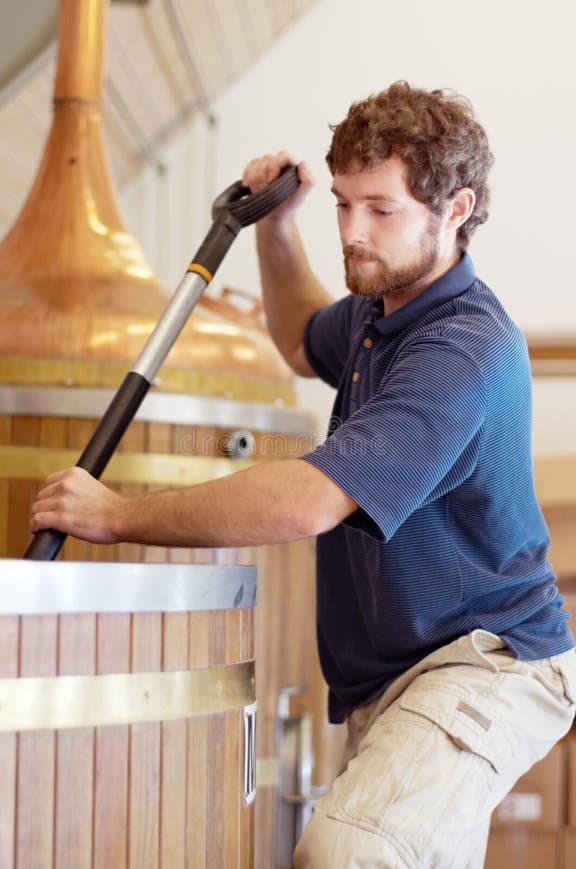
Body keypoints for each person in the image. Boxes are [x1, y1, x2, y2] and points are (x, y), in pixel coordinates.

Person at [30, 81, 575, 868]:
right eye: (342, 206)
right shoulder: (382, 308)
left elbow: (311, 498)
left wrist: (117, 516)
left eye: (380, 209)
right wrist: (276, 227)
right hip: (398, 671)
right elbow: (295, 336)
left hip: (484, 662)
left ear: (456, 209)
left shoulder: (461, 351)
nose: (354, 233)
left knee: (347, 853)